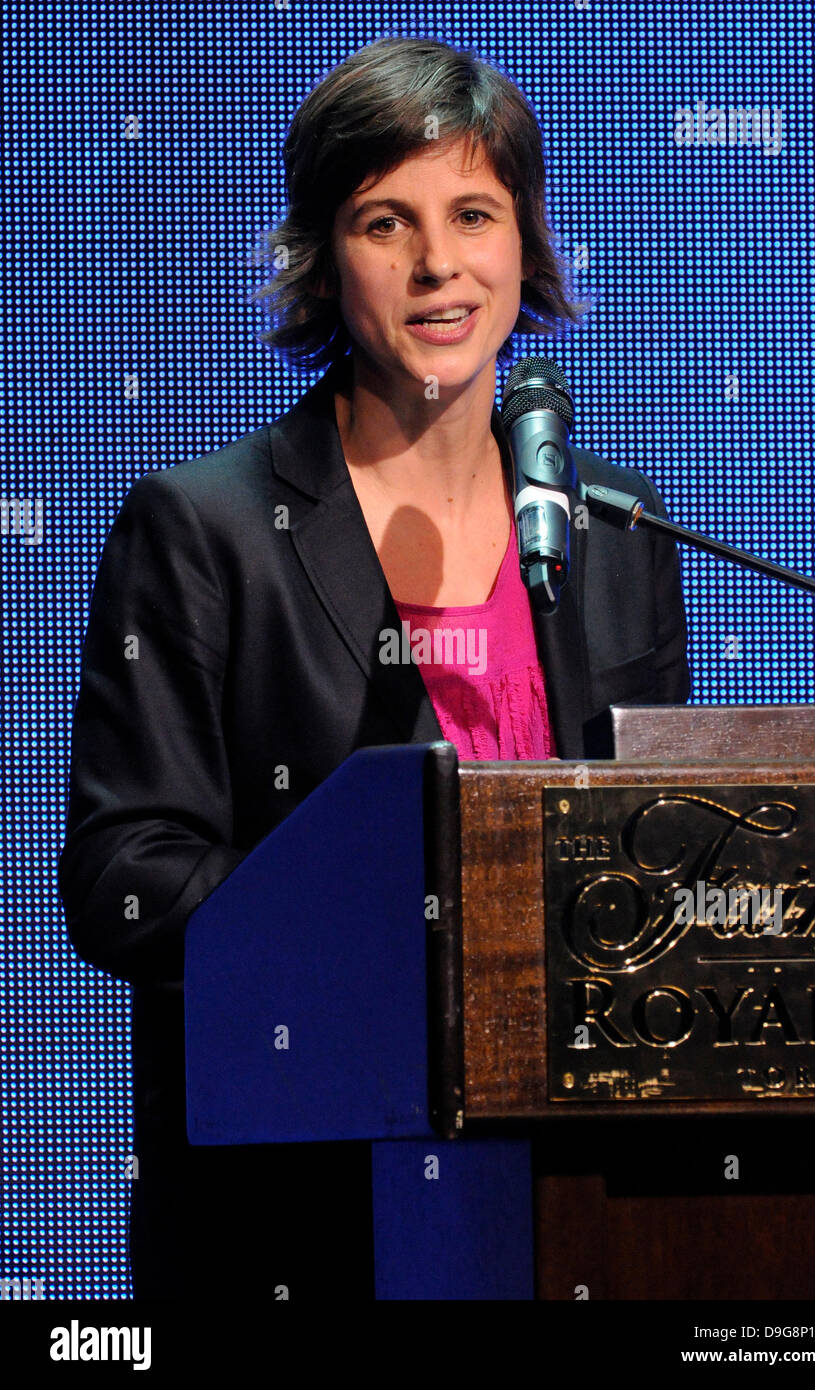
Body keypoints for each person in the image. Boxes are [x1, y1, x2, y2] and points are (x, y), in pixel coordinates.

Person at [57, 35, 690, 1301]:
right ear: (321, 257)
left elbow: (659, 848)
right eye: (382, 221)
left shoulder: (614, 531)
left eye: (472, 214)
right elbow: (129, 874)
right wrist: (414, 960)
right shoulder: (207, 528)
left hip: (581, 1207)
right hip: (304, 1211)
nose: (437, 263)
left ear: (525, 245)